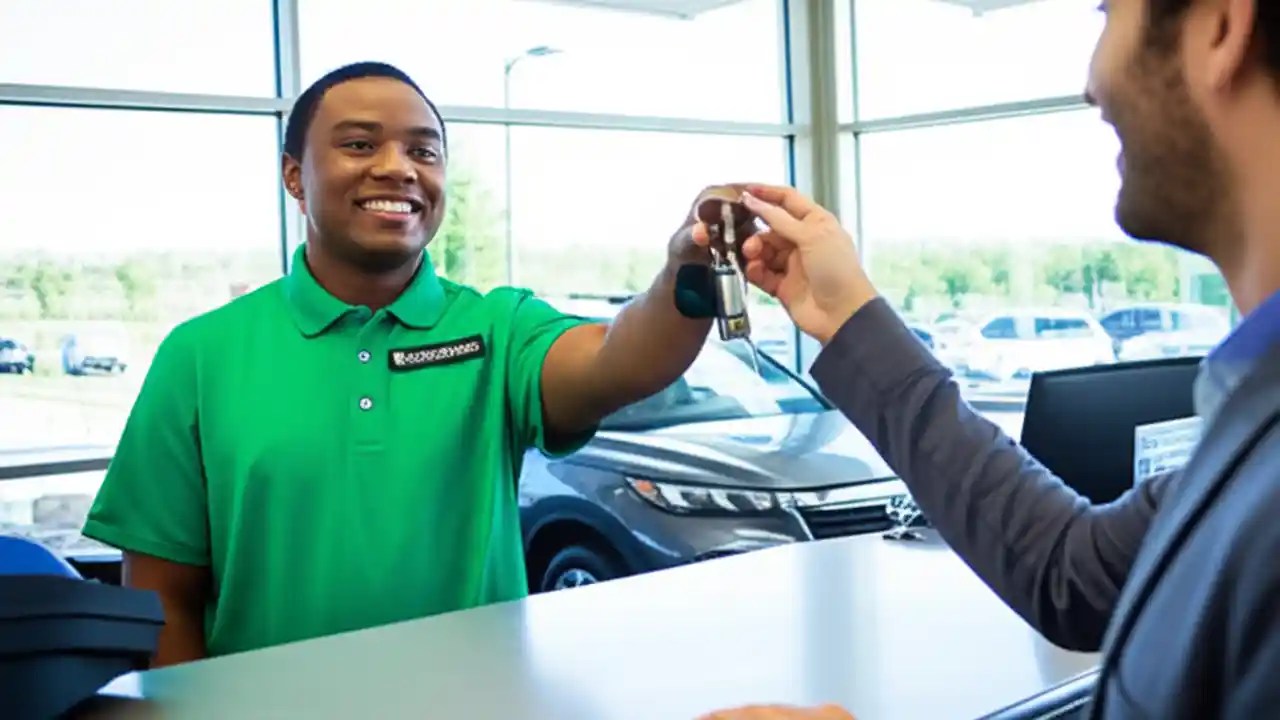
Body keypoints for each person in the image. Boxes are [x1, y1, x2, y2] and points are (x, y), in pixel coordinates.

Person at [698, 0, 1280, 717]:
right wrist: (848, 319)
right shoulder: (1255, 417)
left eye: (1107, 12)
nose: (1092, 84)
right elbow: (1077, 573)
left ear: (1222, 25)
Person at [81, 61, 754, 667]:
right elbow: (161, 596)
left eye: (423, 151)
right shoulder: (202, 354)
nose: (398, 167)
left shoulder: (496, 328)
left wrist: (683, 273)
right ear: (294, 176)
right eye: (359, 144)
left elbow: (620, 359)